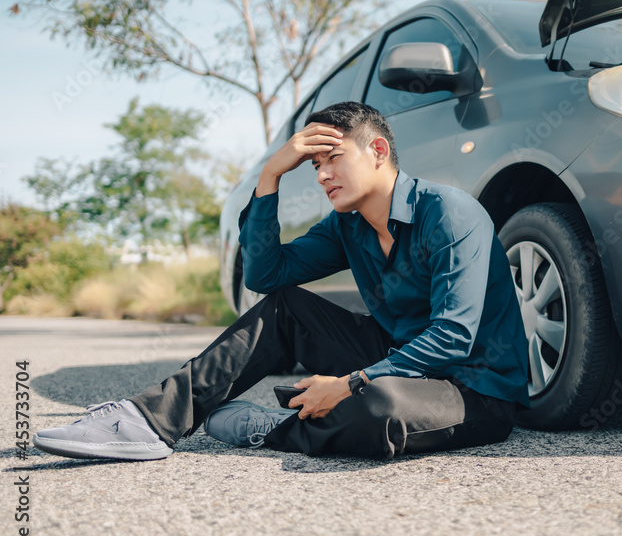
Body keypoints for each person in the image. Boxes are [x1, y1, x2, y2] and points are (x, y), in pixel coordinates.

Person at [33, 101, 531, 460]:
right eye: (314, 164)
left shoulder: (447, 212)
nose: (320, 175)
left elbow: (453, 336)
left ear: (378, 150)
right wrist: (269, 177)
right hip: (397, 354)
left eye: (332, 158)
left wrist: (351, 383)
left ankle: (281, 427)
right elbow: (267, 275)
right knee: (286, 308)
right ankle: (149, 419)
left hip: (473, 386)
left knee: (380, 404)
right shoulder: (347, 225)